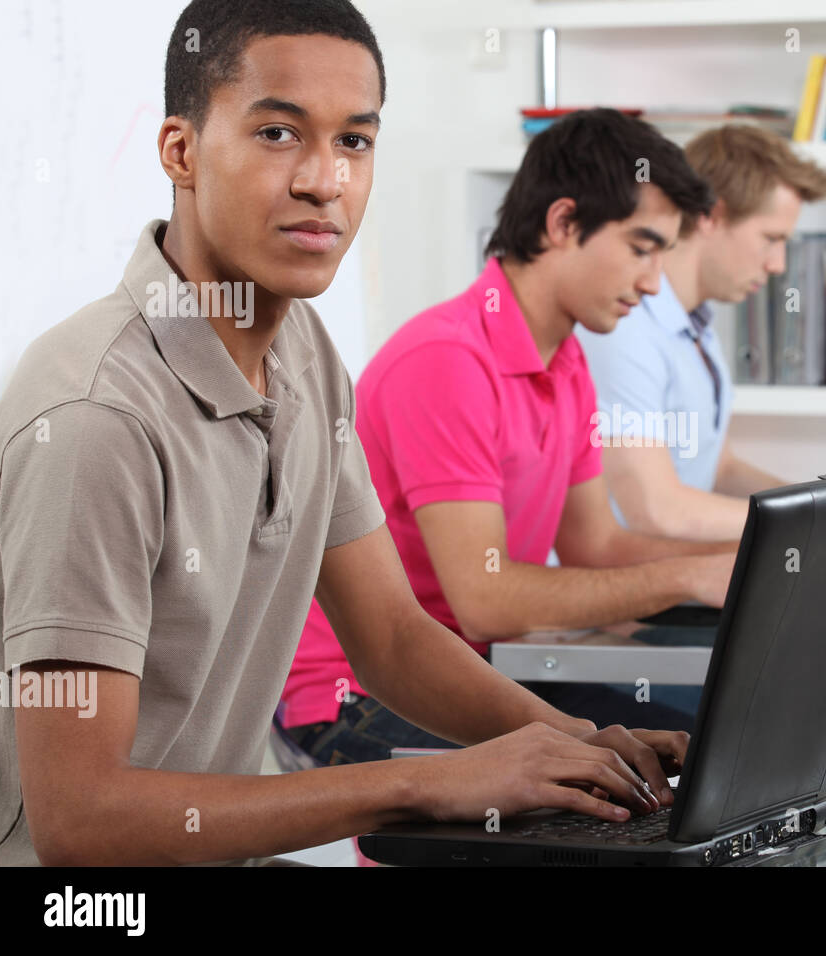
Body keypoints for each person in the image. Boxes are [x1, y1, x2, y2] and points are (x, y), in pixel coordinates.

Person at [0, 1, 688, 868]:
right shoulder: (96, 416)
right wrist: (424, 780)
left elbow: (392, 637)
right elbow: (80, 822)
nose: (325, 180)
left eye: (354, 142)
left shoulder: (302, 354)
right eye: (280, 134)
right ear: (179, 151)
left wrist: (584, 745)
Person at [282, 109, 740, 763]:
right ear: (562, 223)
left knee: (701, 755)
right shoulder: (448, 359)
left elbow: (595, 545)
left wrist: (745, 557)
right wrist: (688, 578)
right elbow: (487, 602)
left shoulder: (567, 360)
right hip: (355, 699)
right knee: (629, 791)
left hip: (471, 679)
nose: (652, 283)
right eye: (641, 249)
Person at [576, 124, 826, 542]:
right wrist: (812, 525)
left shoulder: (697, 327)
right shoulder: (624, 328)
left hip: (672, 577)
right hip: (621, 593)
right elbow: (657, 512)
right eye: (771, 239)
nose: (777, 265)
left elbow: (717, 469)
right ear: (711, 215)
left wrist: (823, 504)